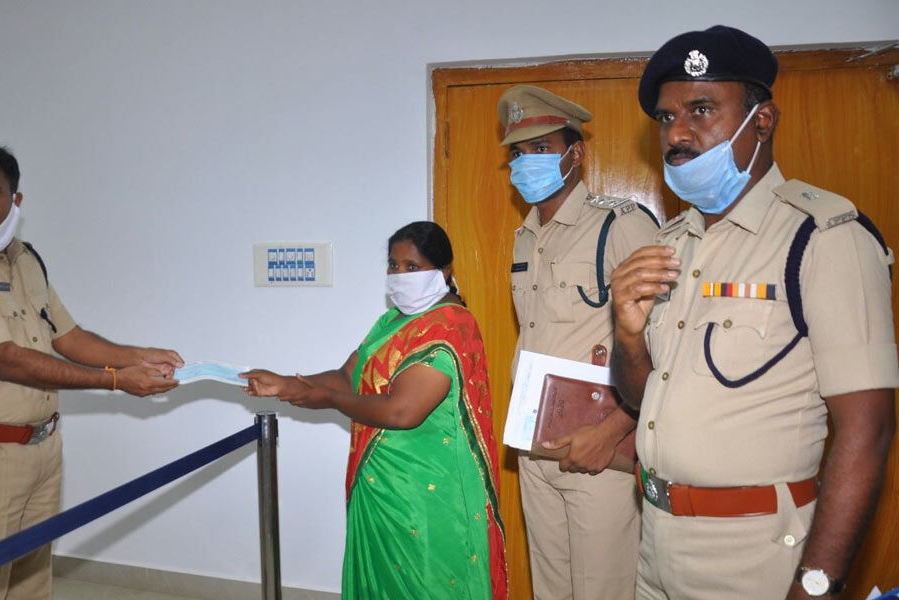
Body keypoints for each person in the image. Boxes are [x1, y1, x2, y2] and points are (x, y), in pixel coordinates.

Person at [605, 26, 898, 599]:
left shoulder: (822, 238)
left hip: (758, 553)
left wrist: (817, 585)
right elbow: (642, 401)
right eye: (666, 118)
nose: (679, 133)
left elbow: (869, 430)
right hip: (657, 542)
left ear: (761, 120)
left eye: (702, 109)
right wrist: (629, 336)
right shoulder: (670, 244)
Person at [0, 141, 184, 600]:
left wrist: (136, 355)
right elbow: (5, 359)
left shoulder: (25, 259)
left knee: (32, 584)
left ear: (15, 199)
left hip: (41, 449)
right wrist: (116, 381)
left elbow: (68, 338)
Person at [242, 221, 508, 600]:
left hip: (428, 497)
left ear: (444, 271)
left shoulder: (452, 325)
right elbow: (348, 375)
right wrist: (286, 384)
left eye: (411, 267)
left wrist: (329, 400)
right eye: (393, 265)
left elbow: (402, 412)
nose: (399, 276)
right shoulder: (392, 320)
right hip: (380, 488)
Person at [496, 85, 659, 599]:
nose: (526, 164)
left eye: (540, 149)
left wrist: (612, 431)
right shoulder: (527, 236)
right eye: (517, 154)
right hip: (535, 446)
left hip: (599, 451)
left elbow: (662, 348)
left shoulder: (621, 225)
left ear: (576, 153)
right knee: (550, 590)